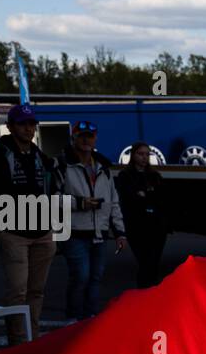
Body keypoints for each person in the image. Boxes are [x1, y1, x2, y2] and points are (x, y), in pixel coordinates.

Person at [0, 103, 60, 344]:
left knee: (36, 291)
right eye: (22, 123)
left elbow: (50, 190)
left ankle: (32, 338)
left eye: (31, 123)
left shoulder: (39, 155)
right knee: (18, 292)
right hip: (13, 232)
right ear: (10, 126)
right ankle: (19, 342)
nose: (28, 128)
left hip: (42, 232)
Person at [57, 121, 126, 321]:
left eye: (90, 136)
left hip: (99, 233)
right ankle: (72, 321)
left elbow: (113, 201)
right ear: (74, 138)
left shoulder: (103, 167)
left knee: (95, 279)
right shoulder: (63, 165)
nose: (86, 140)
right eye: (82, 136)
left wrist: (120, 232)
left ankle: (90, 319)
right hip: (75, 232)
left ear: (95, 138)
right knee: (81, 277)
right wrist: (80, 203)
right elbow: (50, 199)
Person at [116, 141, 170, 289]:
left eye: (147, 154)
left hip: (156, 227)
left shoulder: (155, 176)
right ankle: (143, 295)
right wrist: (145, 196)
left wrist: (144, 195)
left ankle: (153, 298)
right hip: (136, 227)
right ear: (133, 155)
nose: (144, 157)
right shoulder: (125, 176)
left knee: (154, 265)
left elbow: (161, 199)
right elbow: (129, 198)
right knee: (144, 263)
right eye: (140, 154)